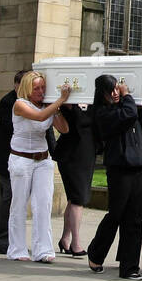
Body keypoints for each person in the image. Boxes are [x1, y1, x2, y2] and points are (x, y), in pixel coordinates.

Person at [86, 75, 142, 279]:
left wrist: (141, 109)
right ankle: (96, 252)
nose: (116, 93)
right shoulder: (102, 113)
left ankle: (130, 266)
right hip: (119, 169)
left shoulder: (130, 108)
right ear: (103, 93)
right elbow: (127, 115)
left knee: (134, 218)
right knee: (116, 214)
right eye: (111, 90)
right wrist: (128, 98)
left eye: (117, 89)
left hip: (141, 166)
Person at [7, 72, 71, 262]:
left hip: (43, 159)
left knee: (43, 205)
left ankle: (43, 250)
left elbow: (64, 129)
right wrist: (60, 100)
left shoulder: (48, 106)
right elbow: (40, 116)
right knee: (19, 205)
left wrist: (57, 107)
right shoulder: (20, 104)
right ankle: (17, 249)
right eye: (36, 88)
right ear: (27, 88)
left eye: (43, 87)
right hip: (21, 159)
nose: (41, 91)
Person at [0, 70, 27, 255]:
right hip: (8, 159)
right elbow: (15, 127)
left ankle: (16, 238)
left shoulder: (32, 102)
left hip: (26, 159)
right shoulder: (8, 102)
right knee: (9, 198)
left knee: (19, 200)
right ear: (16, 84)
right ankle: (2, 239)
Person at [53, 102, 94, 257]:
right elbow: (67, 128)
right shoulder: (66, 104)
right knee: (78, 199)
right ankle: (76, 243)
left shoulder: (93, 102)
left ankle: (65, 238)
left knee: (74, 199)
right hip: (70, 155)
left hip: (87, 154)